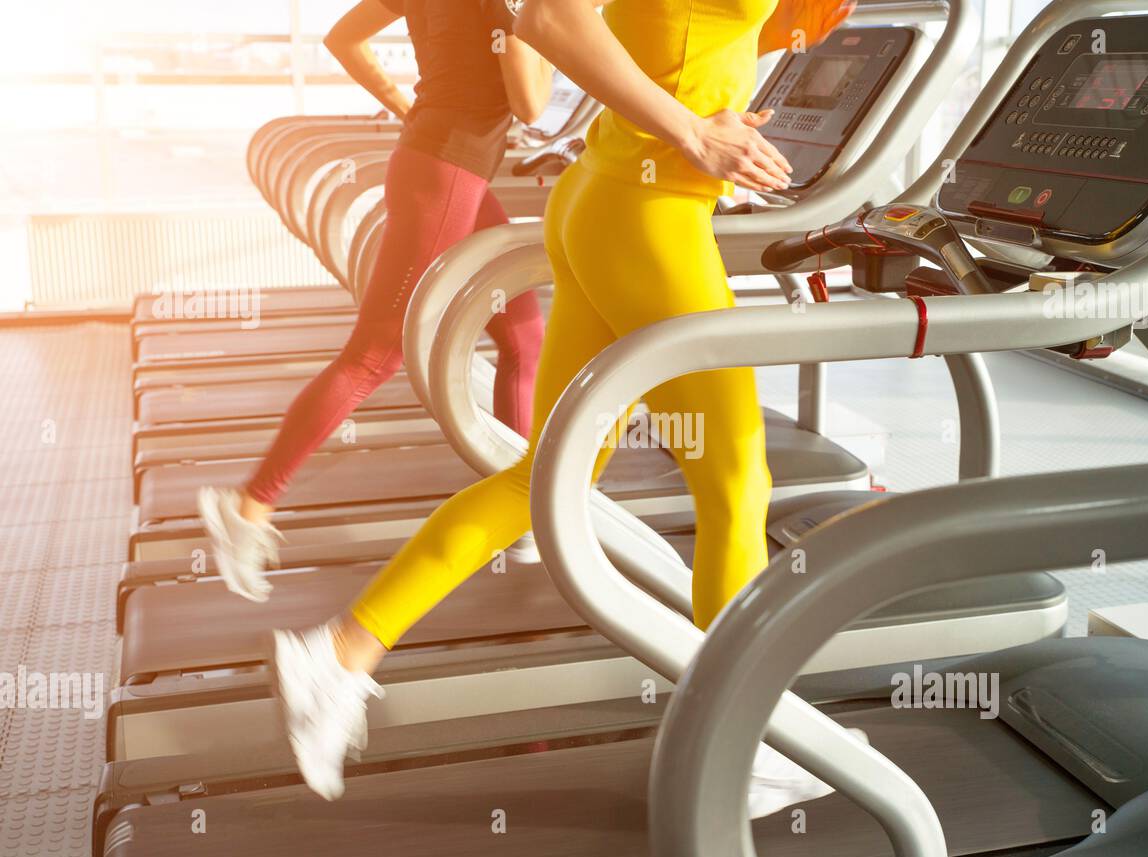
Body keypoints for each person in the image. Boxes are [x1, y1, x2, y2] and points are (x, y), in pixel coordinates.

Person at [271, 0, 857, 812]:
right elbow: (549, 15)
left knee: (546, 476)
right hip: (648, 218)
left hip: (606, 196)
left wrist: (710, 102)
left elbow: (678, 33)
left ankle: (338, 653)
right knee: (735, 484)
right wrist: (693, 132)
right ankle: (740, 745)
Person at [199, 0, 553, 601]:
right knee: (373, 357)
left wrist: (407, 106)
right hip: (446, 173)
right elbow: (531, 104)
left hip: (440, 161)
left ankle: (515, 506)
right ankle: (249, 504)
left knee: (523, 332)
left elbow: (344, 38)